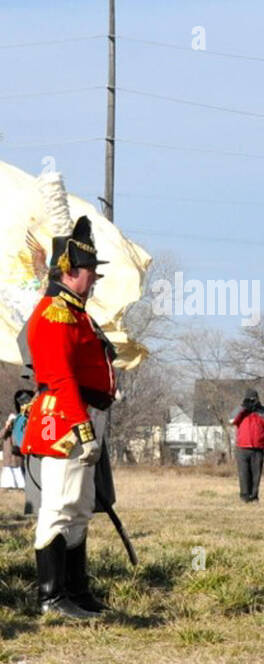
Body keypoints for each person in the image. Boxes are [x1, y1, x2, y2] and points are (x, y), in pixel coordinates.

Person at [19, 216, 115, 620]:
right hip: (65, 423)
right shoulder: (57, 313)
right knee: (58, 508)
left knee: (78, 508)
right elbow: (59, 376)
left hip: (80, 417)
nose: (94, 280)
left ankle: (75, 591)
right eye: (91, 273)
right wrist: (83, 428)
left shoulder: (75, 311)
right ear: (70, 273)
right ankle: (51, 596)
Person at [232, 389, 264, 502]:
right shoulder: (240, 412)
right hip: (242, 447)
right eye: (250, 399)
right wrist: (243, 407)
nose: (252, 401)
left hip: (258, 448)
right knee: (243, 473)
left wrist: (259, 408)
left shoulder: (262, 412)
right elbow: (231, 420)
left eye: (254, 399)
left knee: (256, 474)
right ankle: (244, 496)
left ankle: (254, 496)